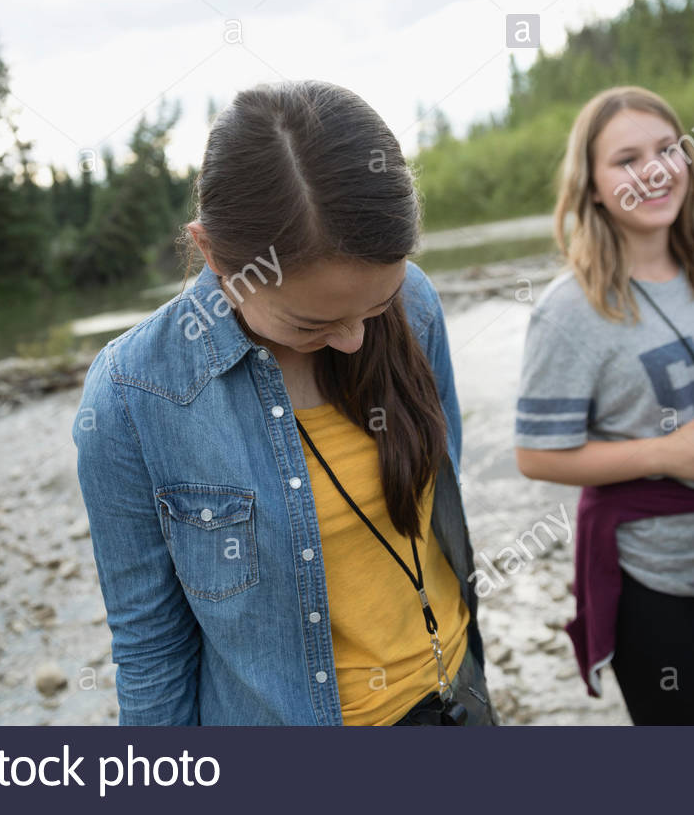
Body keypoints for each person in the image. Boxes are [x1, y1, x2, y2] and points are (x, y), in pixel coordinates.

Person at [72, 80, 498, 726]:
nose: (355, 340)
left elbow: (443, 505)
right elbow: (149, 643)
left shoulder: (417, 303)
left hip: (456, 698)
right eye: (310, 322)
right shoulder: (133, 397)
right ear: (214, 254)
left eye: (376, 306)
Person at [513, 85, 694, 725]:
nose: (656, 170)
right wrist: (667, 453)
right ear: (589, 185)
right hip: (647, 571)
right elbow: (535, 455)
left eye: (669, 149)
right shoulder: (568, 311)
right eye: (627, 159)